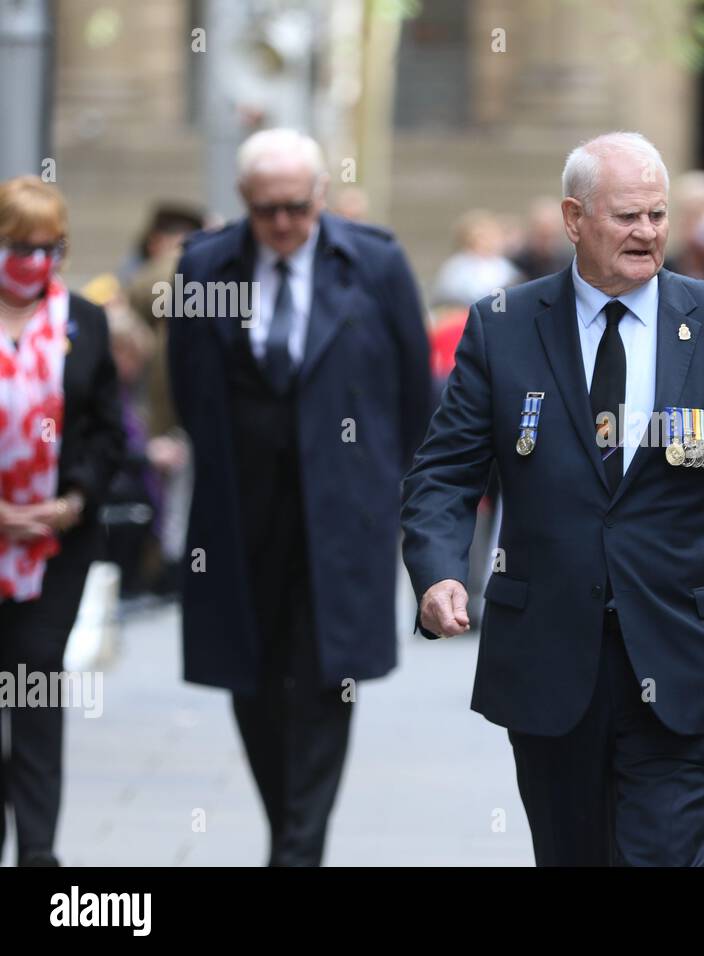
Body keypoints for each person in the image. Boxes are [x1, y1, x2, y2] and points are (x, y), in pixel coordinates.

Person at [401, 132, 704, 866]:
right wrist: (437, 569)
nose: (648, 232)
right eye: (627, 216)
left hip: (693, 663)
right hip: (553, 669)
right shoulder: (503, 326)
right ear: (574, 218)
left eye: (658, 216)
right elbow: (445, 471)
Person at [168, 128, 433, 865]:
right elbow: (189, 389)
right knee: (248, 675)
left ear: (320, 196)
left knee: (326, 678)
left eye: (296, 207)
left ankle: (297, 849)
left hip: (341, 517)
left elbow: (414, 390)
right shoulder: (204, 267)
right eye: (266, 210)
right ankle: (289, 828)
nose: (283, 224)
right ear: (245, 204)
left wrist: (387, 487)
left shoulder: (373, 261)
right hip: (238, 517)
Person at [0, 176, 125, 865]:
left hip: (55, 543)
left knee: (37, 680)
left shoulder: (85, 321)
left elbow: (110, 431)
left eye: (49, 247)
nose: (34, 259)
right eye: (20, 246)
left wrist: (74, 498)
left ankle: (40, 852)